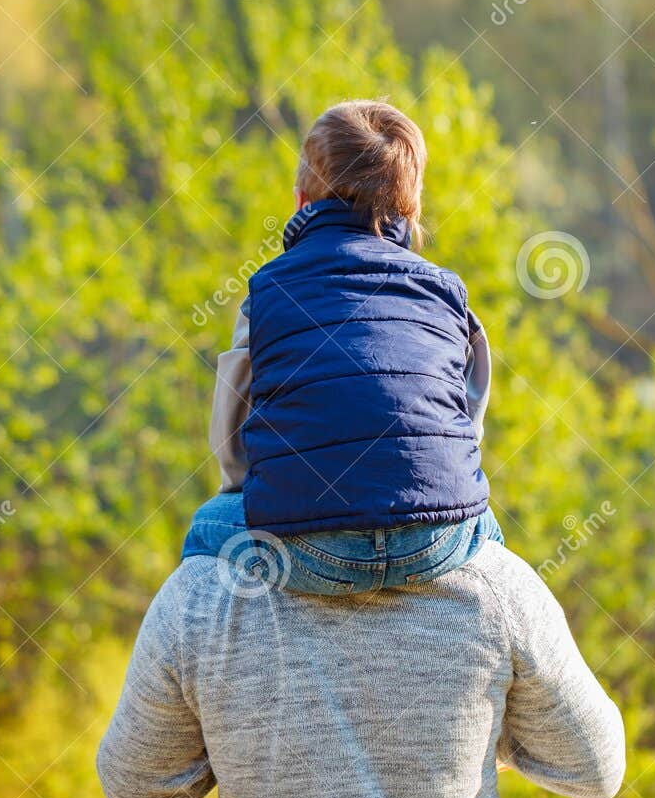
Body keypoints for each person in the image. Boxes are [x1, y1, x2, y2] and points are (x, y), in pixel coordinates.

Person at [95, 541, 626, 798]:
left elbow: (135, 795)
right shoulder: (495, 582)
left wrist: (231, 728)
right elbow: (595, 768)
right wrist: (490, 727)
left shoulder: (202, 593)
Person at [181, 99, 503, 595]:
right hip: (433, 541)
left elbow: (232, 448)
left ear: (299, 201)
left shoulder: (266, 293)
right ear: (411, 209)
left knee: (205, 526)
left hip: (306, 551)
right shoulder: (446, 294)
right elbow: (466, 428)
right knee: (489, 530)